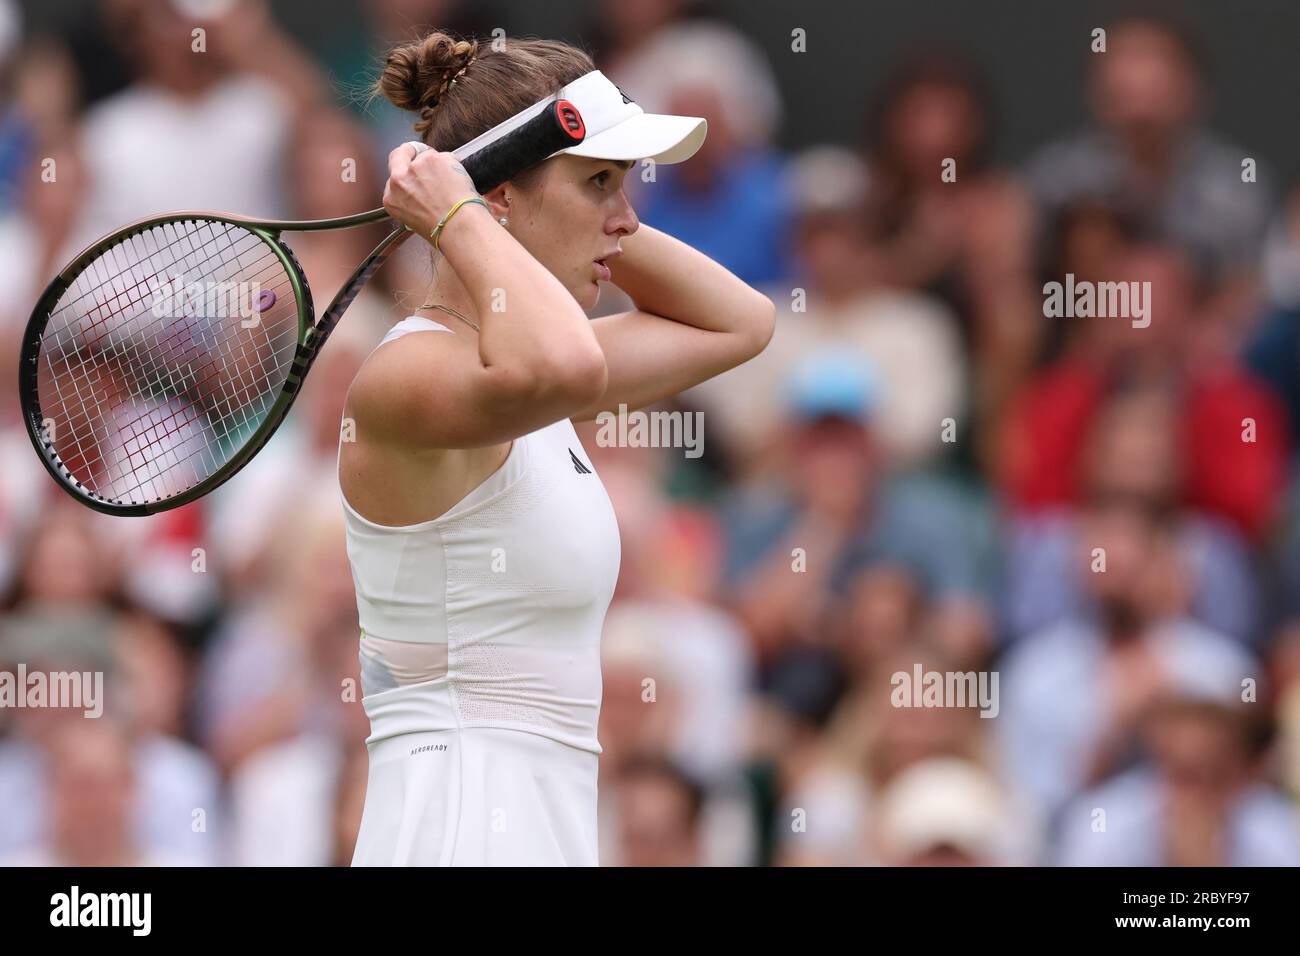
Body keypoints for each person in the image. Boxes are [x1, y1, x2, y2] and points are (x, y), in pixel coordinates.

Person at [341, 33, 774, 866]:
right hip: (454, 830)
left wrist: (549, 214)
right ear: (498, 201)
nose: (630, 218)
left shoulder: (528, 378)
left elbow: (743, 321)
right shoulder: (409, 379)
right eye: (602, 183)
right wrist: (468, 209)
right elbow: (568, 362)